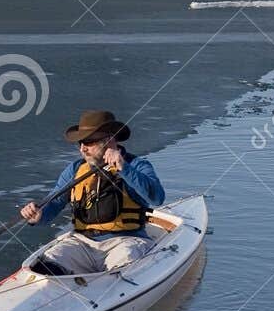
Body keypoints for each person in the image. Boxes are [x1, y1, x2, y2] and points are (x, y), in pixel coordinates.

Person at [19, 109, 165, 275]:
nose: (82, 149)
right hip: (82, 243)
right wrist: (38, 215)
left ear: (109, 140)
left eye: (88, 143)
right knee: (46, 265)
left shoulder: (137, 165)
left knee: (125, 263)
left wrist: (123, 168)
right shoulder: (74, 169)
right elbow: (54, 204)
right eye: (80, 143)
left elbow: (157, 197)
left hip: (126, 241)